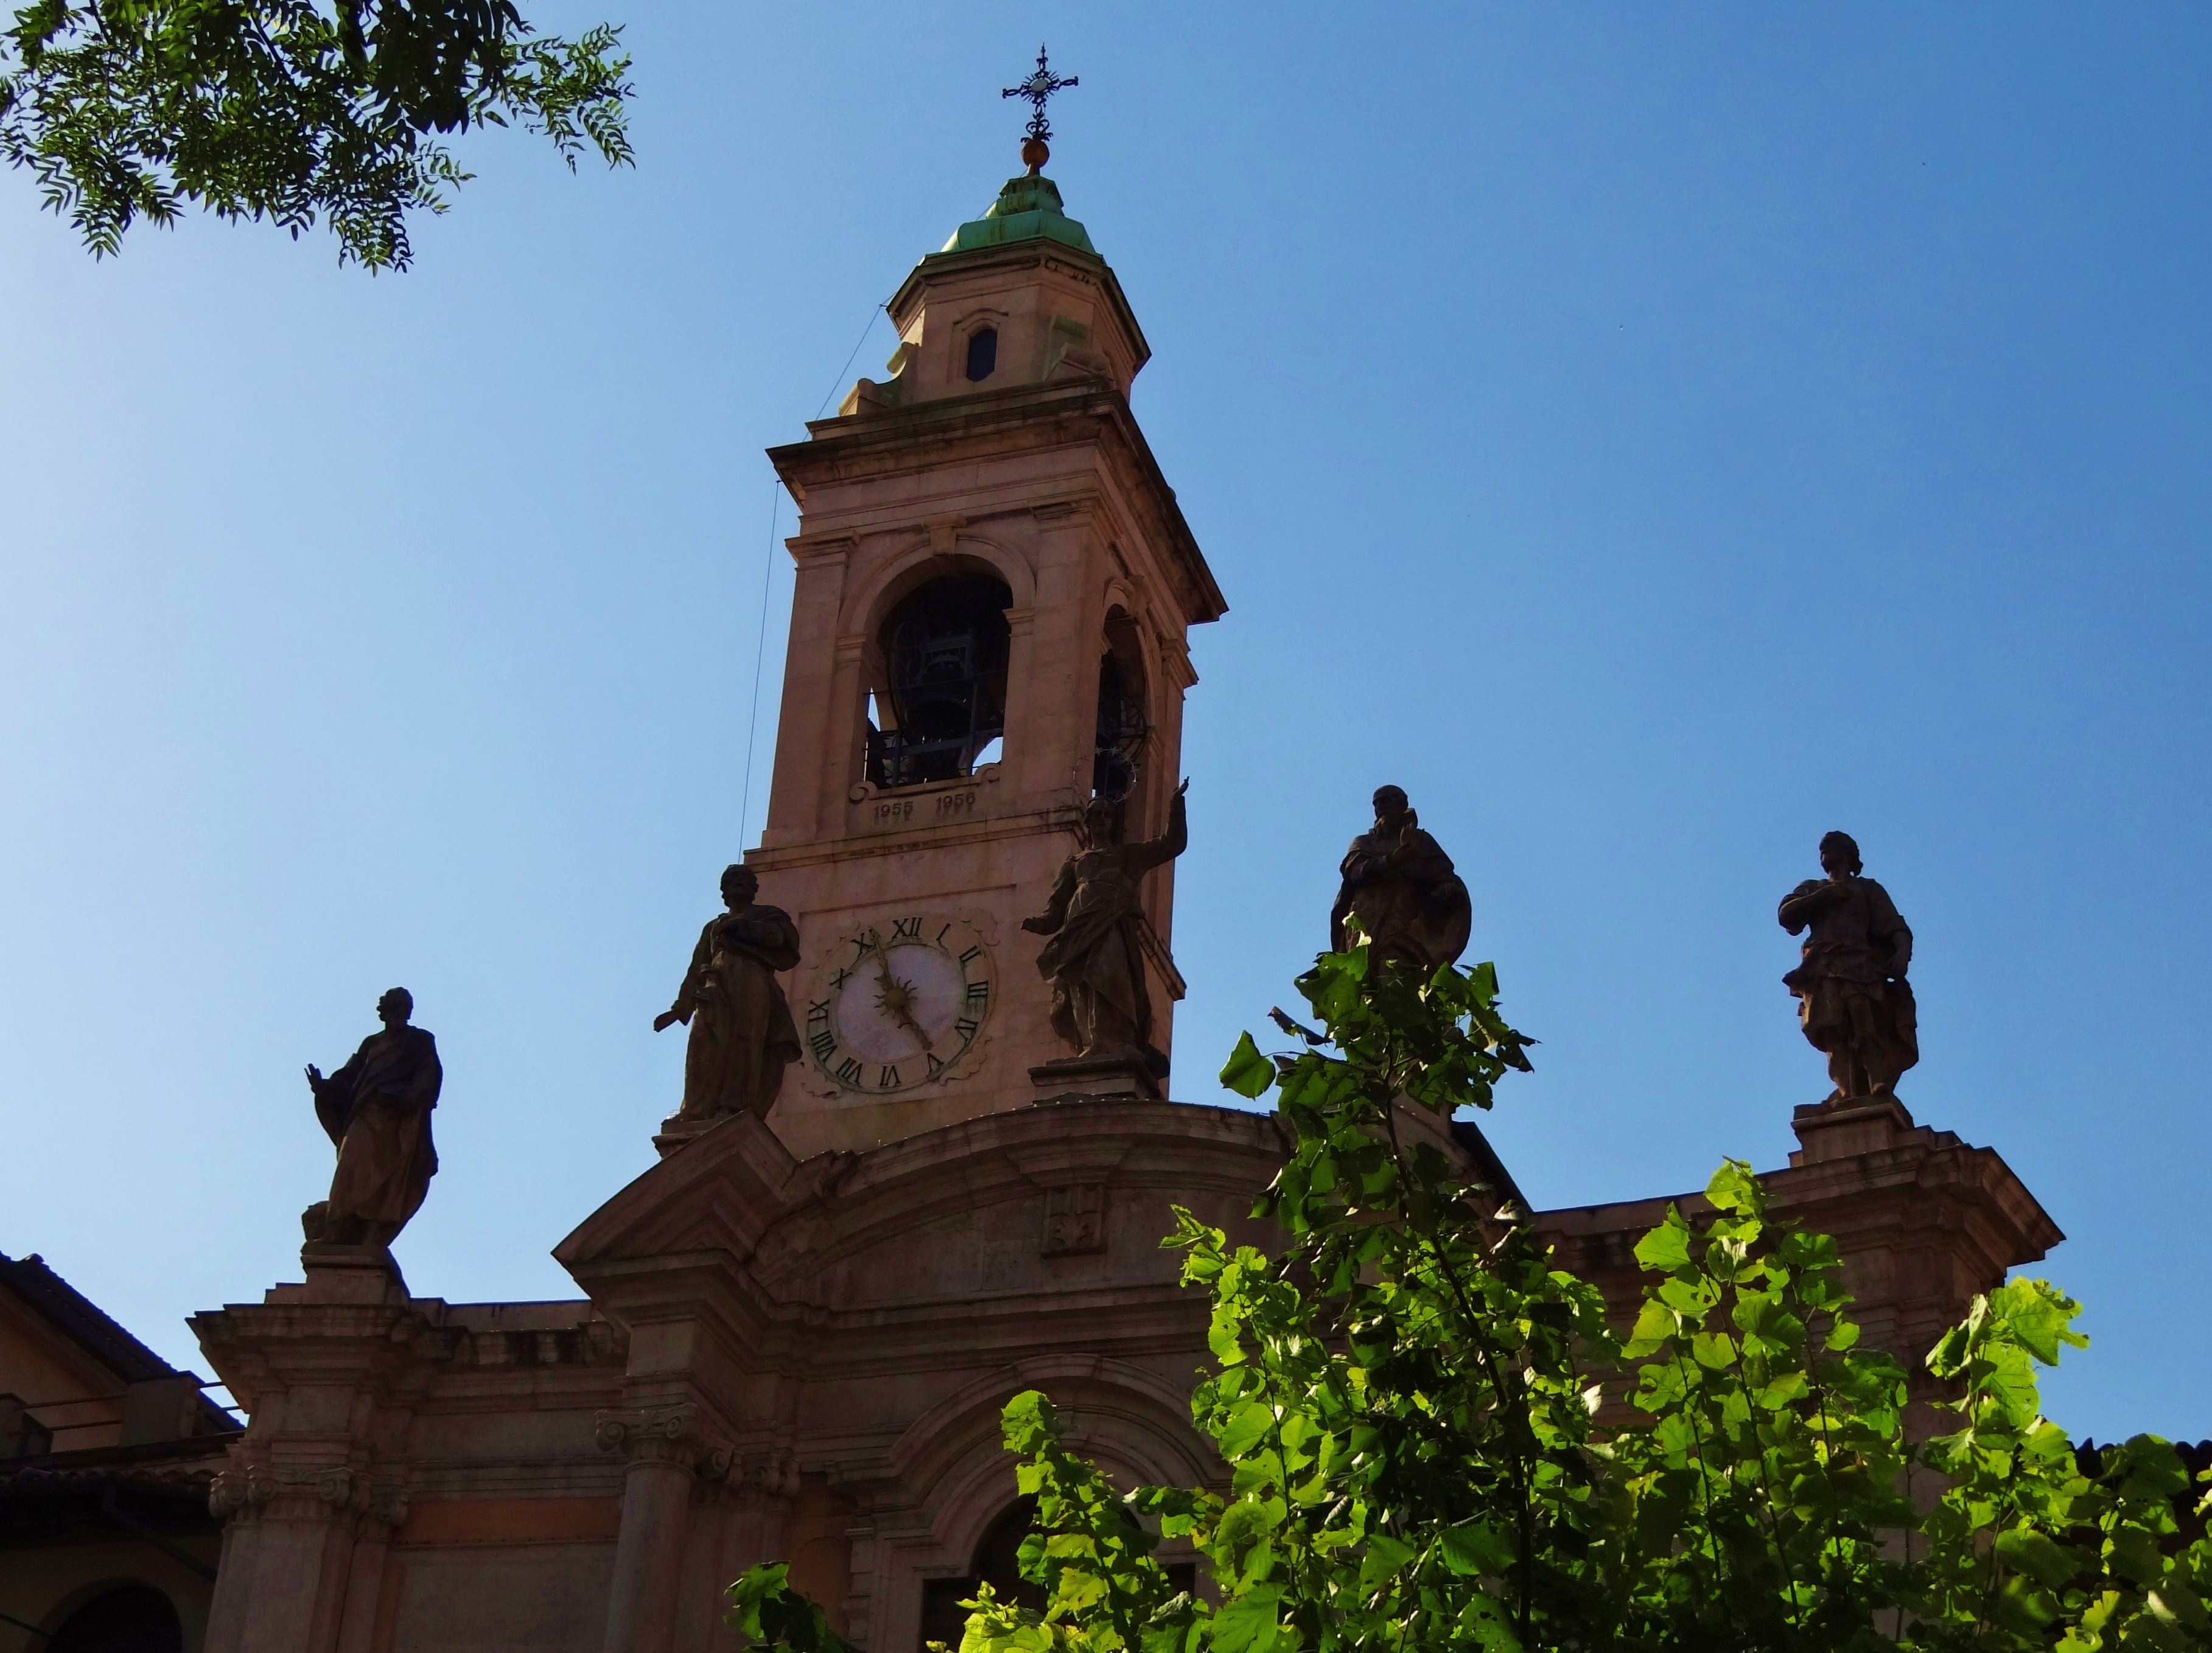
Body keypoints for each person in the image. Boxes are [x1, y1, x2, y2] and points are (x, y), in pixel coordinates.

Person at [1023, 781, 1189, 1068]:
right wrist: (1040, 923)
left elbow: (1172, 844)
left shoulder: (1128, 855)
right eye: (1096, 814)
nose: (1101, 819)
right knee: (1082, 982)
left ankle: (1117, 1041)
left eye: (1107, 815)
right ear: (1087, 822)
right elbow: (1056, 906)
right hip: (1079, 925)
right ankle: (1093, 1042)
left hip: (1112, 923)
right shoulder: (1074, 863)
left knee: (1111, 975)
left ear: (1112, 822)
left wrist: (1176, 805)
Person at [1779, 831, 1918, 1101]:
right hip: (1822, 967)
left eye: (1830, 848)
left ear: (1848, 854)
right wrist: (1824, 897)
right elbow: (1786, 914)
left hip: (1859, 965)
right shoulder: (1814, 888)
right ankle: (1847, 1088)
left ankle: (1877, 1080)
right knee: (1831, 1028)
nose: (1823, 854)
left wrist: (1902, 953)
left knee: (1863, 1019)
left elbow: (1895, 927)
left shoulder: (1867, 890)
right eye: (1821, 850)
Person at [656, 864, 802, 1119]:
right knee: (704, 1042)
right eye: (733, 879)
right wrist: (680, 1008)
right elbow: (696, 969)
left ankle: (732, 1107)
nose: (739, 883)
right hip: (715, 986)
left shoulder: (767, 915)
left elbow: (779, 938)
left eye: (745, 879)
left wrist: (742, 927)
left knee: (745, 1042)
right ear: (723, 891)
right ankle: (695, 1109)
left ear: (755, 889)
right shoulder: (713, 927)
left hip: (753, 982)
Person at [304, 987, 441, 1246]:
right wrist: (325, 1088)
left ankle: (371, 1236)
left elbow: (428, 1074)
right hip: (367, 1115)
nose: (400, 1012)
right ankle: (335, 1230)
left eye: (405, 1007)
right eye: (395, 1006)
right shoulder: (372, 1044)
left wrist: (407, 1096)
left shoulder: (420, 1041)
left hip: (398, 1122)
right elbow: (349, 1075)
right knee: (349, 1168)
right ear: (385, 1011)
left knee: (391, 1182)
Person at [1329, 786, 1472, 970]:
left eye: (1386, 800)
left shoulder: (1420, 841)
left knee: (1394, 966)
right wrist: (1394, 860)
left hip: (1405, 917)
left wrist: (1448, 891)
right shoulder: (1364, 842)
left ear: (1402, 804)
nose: (1380, 806)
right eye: (1377, 803)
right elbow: (1356, 872)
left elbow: (1443, 875)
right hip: (1365, 916)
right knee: (1361, 972)